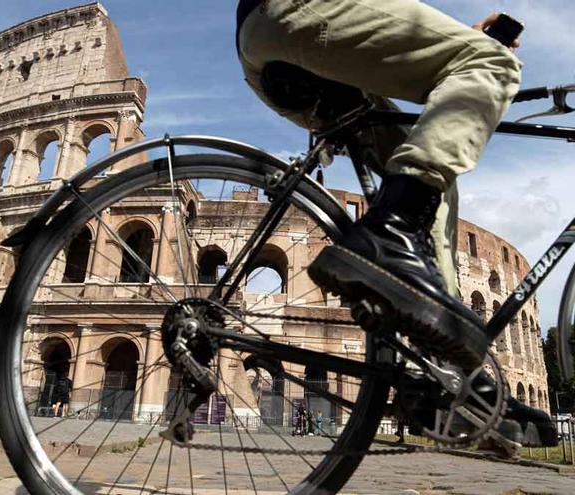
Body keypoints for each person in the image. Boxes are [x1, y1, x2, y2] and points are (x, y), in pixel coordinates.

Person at [236, 0, 555, 448]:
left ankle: (453, 378)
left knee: (434, 186)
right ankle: (391, 232)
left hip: (269, 39)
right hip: (295, 13)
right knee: (488, 61)